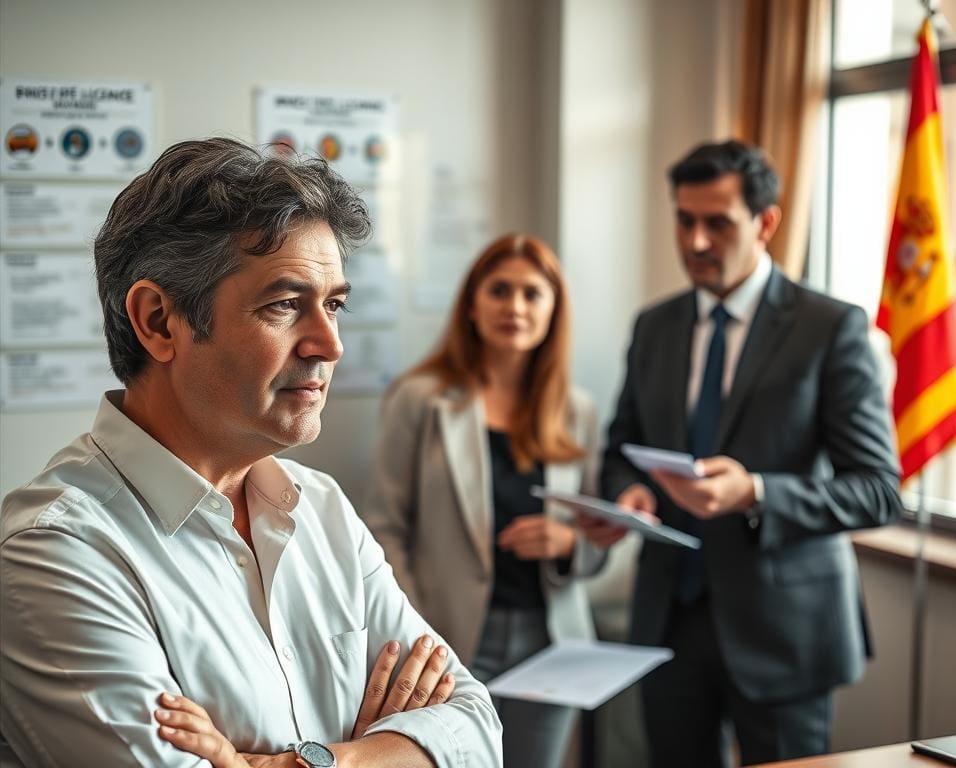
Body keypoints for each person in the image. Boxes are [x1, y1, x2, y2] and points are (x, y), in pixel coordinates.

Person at [0, 138, 501, 768]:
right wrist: (386, 748)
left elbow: (477, 731)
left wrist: (298, 763)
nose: (329, 344)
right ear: (158, 321)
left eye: (335, 305)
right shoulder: (55, 552)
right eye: (286, 305)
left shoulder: (320, 508)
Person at [581, 140, 902, 767]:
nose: (696, 241)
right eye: (684, 219)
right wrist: (630, 495)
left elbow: (877, 490)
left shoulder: (831, 327)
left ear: (767, 222)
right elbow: (623, 445)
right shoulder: (655, 325)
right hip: (668, 620)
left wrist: (755, 490)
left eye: (718, 223)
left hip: (786, 629)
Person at [361, 234, 603, 768]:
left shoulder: (577, 411)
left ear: (553, 310)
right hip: (450, 633)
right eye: (499, 290)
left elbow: (600, 539)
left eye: (531, 294)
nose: (515, 307)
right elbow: (385, 528)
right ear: (472, 304)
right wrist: (414, 628)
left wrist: (569, 543)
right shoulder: (420, 398)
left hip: (552, 639)